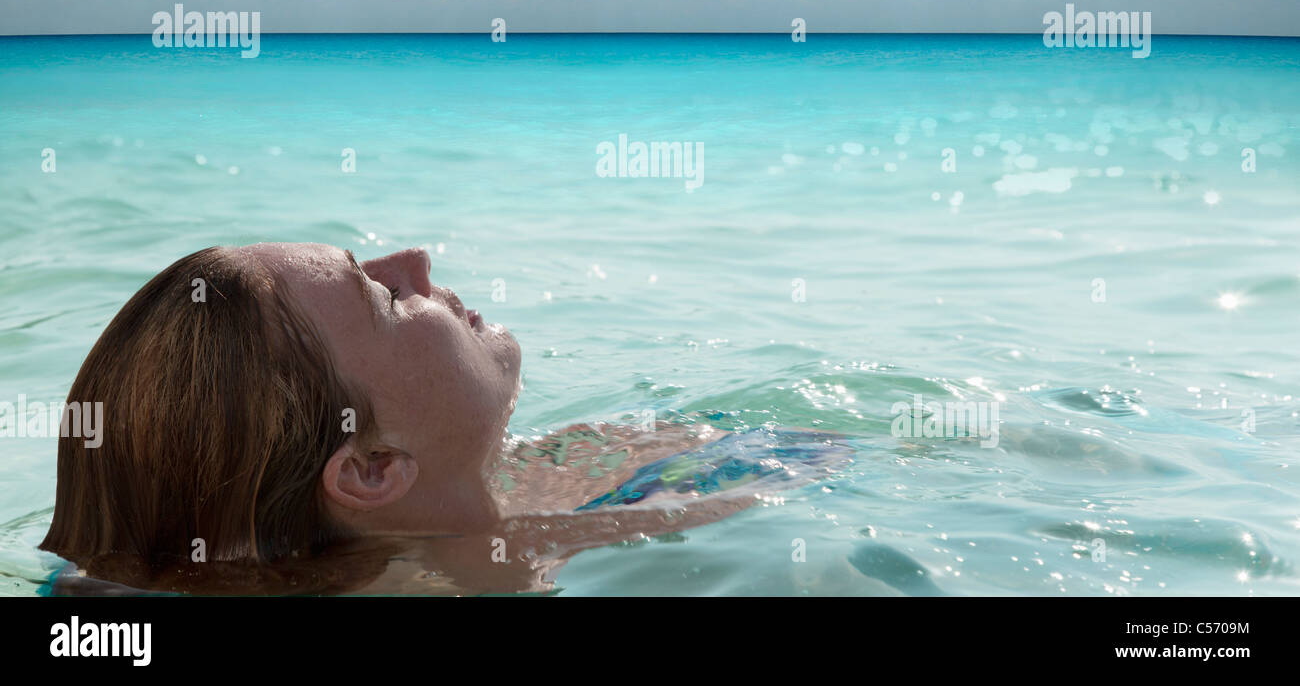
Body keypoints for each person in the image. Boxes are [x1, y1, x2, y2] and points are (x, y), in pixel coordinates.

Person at [39, 243, 849, 594]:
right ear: (370, 468)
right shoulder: (478, 573)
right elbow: (813, 455)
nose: (415, 262)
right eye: (383, 298)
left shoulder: (502, 497)